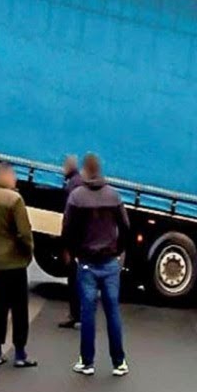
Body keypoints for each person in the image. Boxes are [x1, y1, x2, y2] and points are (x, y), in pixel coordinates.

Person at [62, 153, 130, 377]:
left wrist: (73, 252)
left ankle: (87, 362)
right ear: (99, 170)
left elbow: (68, 229)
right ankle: (119, 362)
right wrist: (118, 250)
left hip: (87, 263)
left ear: (85, 170)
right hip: (110, 262)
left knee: (88, 312)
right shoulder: (114, 195)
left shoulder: (76, 196)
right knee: (113, 312)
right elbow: (126, 227)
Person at [0, 162, 37, 368]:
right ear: (8, 177)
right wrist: (28, 252)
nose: (16, 178)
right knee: (20, 309)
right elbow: (24, 232)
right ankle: (20, 353)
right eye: (14, 175)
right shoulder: (15, 200)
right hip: (15, 262)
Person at [59, 154, 83, 329]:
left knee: (74, 280)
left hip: (75, 242)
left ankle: (75, 316)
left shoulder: (71, 187)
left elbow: (69, 219)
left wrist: (66, 246)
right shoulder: (83, 184)